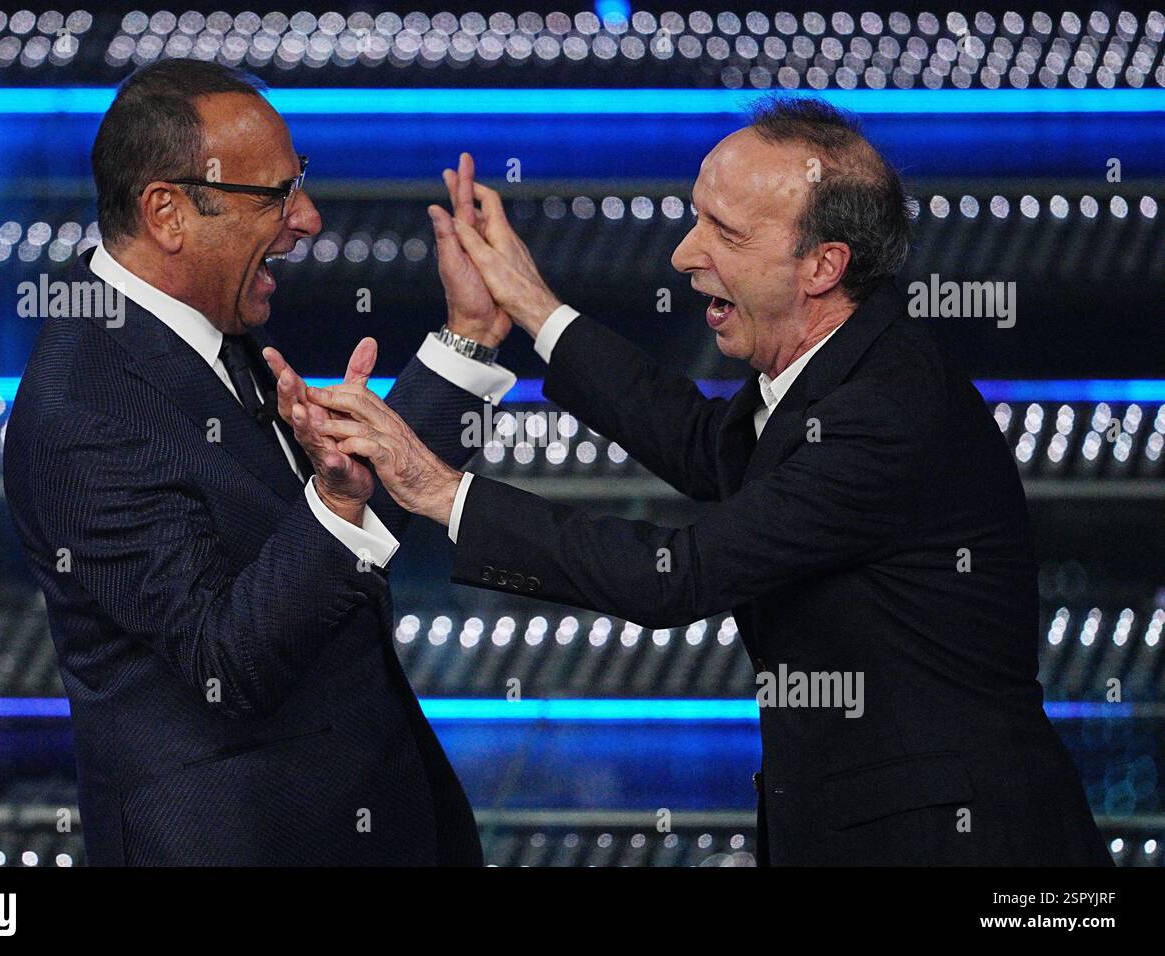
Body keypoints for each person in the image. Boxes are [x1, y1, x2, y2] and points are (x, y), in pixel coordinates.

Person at [301, 98, 1113, 866]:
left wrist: (437, 489)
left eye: (722, 231)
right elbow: (700, 443)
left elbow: (676, 578)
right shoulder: (837, 368)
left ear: (823, 265)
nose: (684, 255)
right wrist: (533, 306)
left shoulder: (884, 410)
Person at [3, 59, 516, 865]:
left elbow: (320, 541)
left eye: (298, 182)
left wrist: (470, 336)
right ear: (168, 212)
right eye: (274, 195)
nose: (306, 218)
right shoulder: (84, 413)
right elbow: (225, 660)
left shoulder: (197, 326)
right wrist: (334, 507)